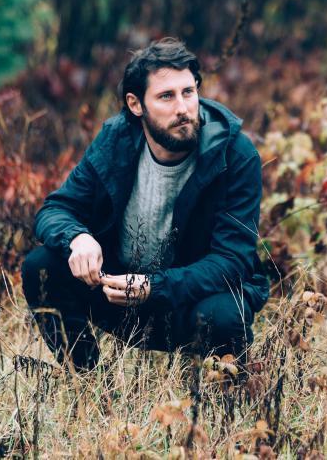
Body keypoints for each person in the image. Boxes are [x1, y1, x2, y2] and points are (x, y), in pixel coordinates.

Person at [22, 38, 270, 371]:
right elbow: (54, 210)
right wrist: (77, 238)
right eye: (166, 96)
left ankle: (221, 397)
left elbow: (230, 262)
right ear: (136, 105)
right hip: (118, 293)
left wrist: (154, 288)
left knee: (224, 316)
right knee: (41, 265)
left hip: (189, 302)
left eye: (189, 92)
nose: (182, 108)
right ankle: (84, 378)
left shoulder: (235, 156)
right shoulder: (116, 141)